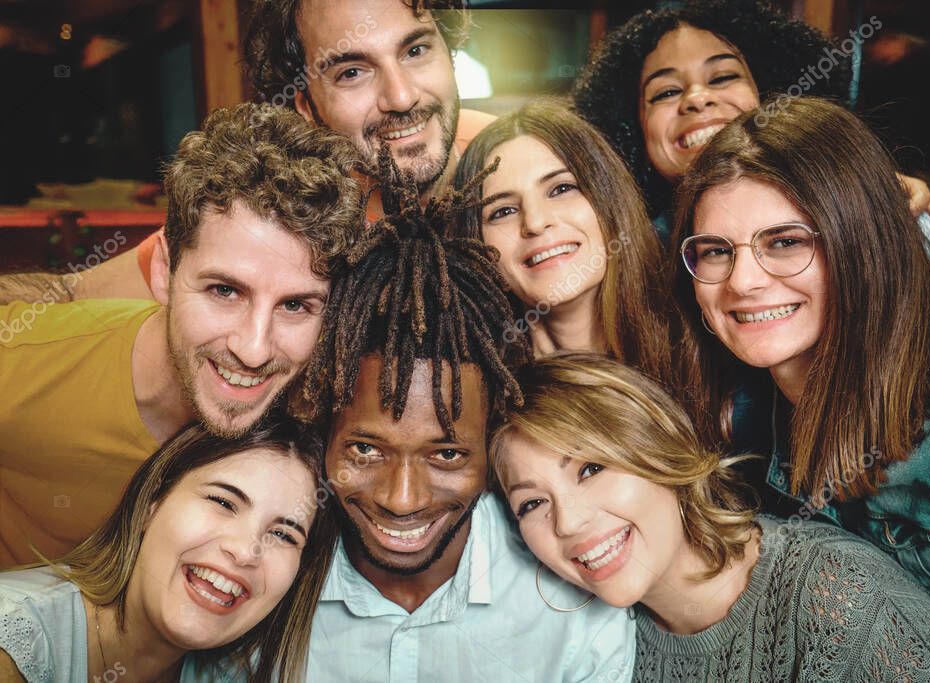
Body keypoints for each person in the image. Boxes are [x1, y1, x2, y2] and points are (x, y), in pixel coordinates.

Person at [672, 96, 930, 680]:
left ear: (858, 244)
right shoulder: (752, 402)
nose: (743, 281)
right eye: (715, 251)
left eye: (785, 241)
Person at [287, 148, 635, 681]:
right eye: (365, 449)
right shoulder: (261, 586)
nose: (402, 499)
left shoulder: (577, 614)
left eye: (446, 454)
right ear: (323, 432)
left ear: (493, 441)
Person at [0, 103, 361, 568]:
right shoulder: (31, 362)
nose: (253, 349)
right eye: (225, 290)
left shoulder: (324, 419)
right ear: (163, 273)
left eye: (295, 305)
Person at [490, 352, 930, 682]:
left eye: (590, 468)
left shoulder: (834, 592)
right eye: (532, 503)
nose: (569, 523)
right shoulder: (604, 653)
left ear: (661, 449)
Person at [0, 0, 494, 305]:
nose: (402, 97)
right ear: (307, 107)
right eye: (351, 72)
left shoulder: (525, 163)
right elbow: (74, 294)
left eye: (415, 50)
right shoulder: (293, 206)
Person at [571, 2, 930, 283]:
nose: (696, 98)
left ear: (770, 94)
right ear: (633, 129)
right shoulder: (626, 257)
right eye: (666, 92)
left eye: (723, 76)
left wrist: (927, 279)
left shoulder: (869, 204)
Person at [0, 419, 340, 683]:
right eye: (222, 501)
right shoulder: (14, 636)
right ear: (152, 501)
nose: (246, 551)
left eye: (283, 534)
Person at [453, 100, 678, 391]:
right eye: (503, 211)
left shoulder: (696, 353)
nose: (535, 222)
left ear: (609, 200)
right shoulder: (478, 398)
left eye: (561, 189)